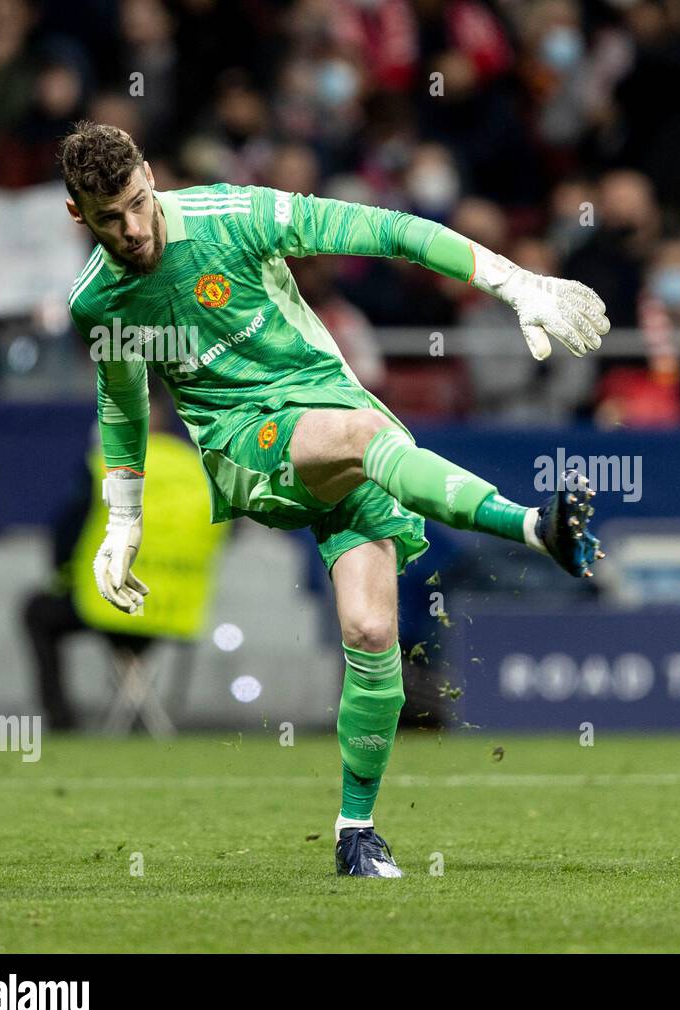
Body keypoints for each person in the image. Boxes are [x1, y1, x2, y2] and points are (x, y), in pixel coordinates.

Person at [59, 121, 609, 878]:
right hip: (246, 446)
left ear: (150, 177)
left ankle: (357, 833)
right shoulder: (98, 302)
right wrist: (124, 520)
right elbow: (122, 407)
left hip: (340, 425)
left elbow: (388, 231)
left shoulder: (238, 216)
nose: (129, 228)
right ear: (75, 213)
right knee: (358, 435)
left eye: (135, 204)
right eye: (106, 217)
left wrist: (513, 282)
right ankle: (531, 527)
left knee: (372, 630)